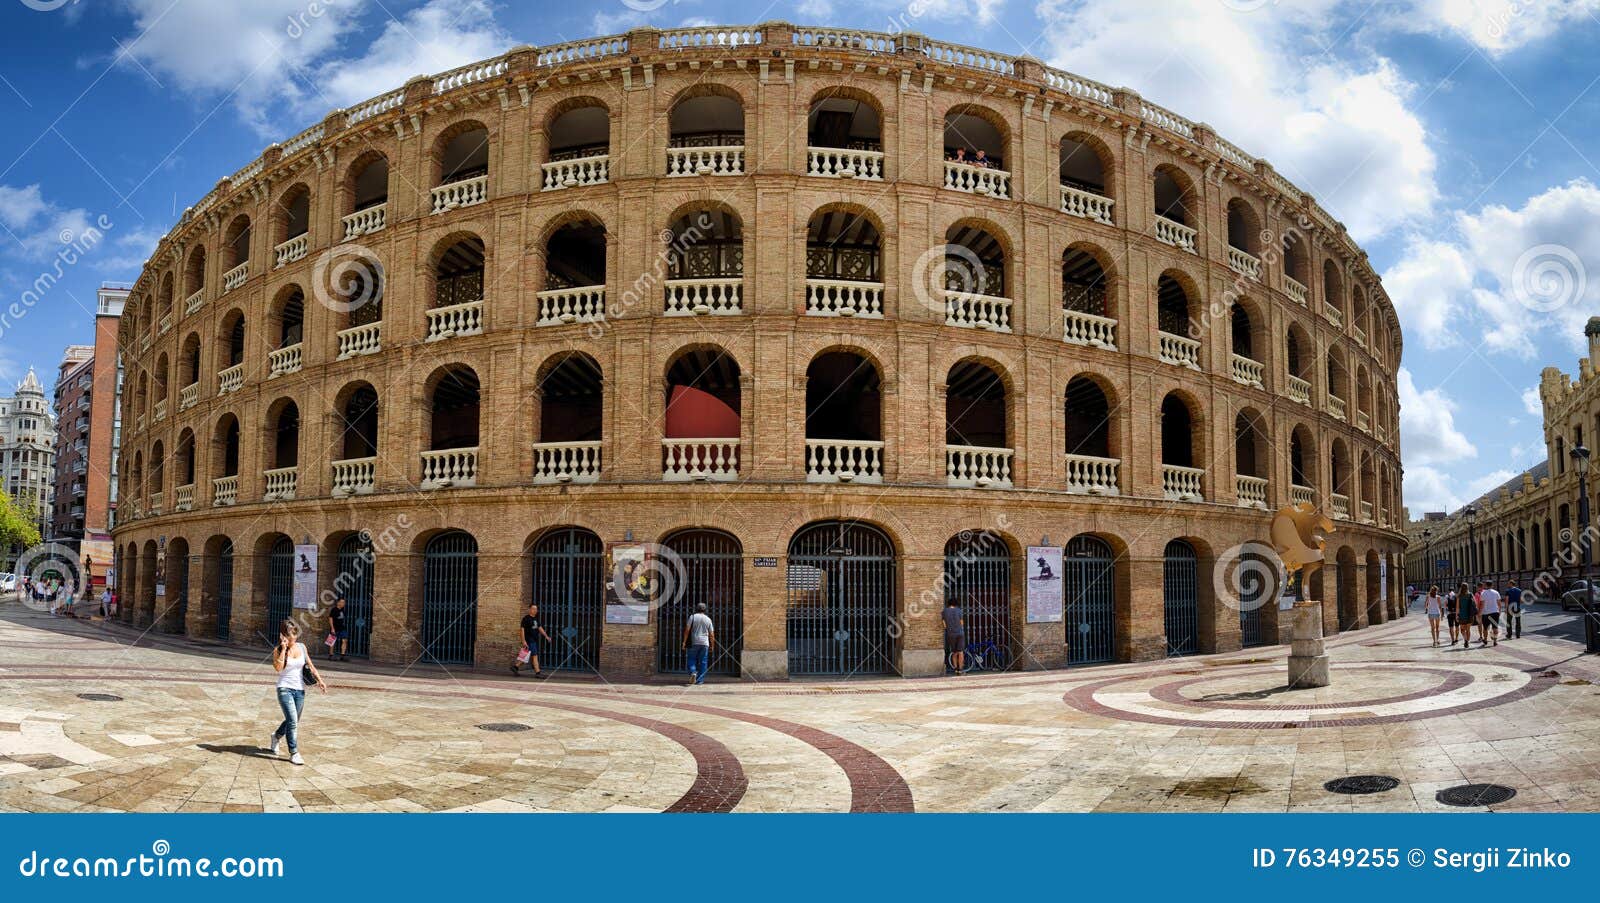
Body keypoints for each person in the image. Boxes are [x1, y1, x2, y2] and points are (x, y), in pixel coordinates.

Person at [268, 619, 327, 765]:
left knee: (293, 720)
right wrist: (283, 649)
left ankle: (276, 736)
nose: (292, 638)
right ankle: (294, 752)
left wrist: (320, 680)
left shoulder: (301, 647)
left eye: (294, 634)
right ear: (283, 635)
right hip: (284, 689)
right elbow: (278, 668)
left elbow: (310, 665)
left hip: (300, 690)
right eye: (289, 635)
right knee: (293, 721)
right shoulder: (278, 650)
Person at [511, 602, 551, 679]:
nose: (535, 610)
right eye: (533, 609)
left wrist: (546, 636)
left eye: (536, 609)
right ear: (529, 609)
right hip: (529, 640)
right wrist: (523, 641)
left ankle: (515, 667)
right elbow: (522, 630)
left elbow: (540, 628)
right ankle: (538, 672)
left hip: (534, 640)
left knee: (526, 655)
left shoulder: (536, 619)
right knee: (534, 656)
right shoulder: (526, 619)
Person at [682, 602, 715, 686]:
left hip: (694, 642)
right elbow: (711, 634)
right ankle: (700, 680)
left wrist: (684, 642)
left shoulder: (692, 617)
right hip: (704, 643)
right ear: (705, 610)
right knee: (703, 662)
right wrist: (712, 645)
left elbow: (687, 630)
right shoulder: (708, 619)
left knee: (691, 659)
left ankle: (693, 672)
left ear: (696, 609)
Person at [943, 599, 967, 674]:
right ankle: (960, 669)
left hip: (951, 634)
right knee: (960, 652)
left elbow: (944, 625)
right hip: (960, 633)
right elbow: (962, 622)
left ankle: (956, 669)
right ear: (956, 604)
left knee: (954, 652)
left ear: (948, 604)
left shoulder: (944, 611)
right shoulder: (959, 610)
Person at [1477, 581, 1501, 647]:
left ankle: (1485, 640)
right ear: (1492, 585)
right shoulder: (1496, 592)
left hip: (1486, 613)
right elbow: (1499, 603)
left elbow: (1482, 604)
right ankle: (1495, 641)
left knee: (1485, 628)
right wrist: (1499, 611)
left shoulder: (1483, 593)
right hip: (1495, 612)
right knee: (1495, 627)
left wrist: (1479, 613)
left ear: (1485, 585)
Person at [327, 596, 351, 661]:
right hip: (335, 628)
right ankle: (331, 655)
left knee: (345, 640)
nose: (343, 603)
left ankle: (342, 655)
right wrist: (332, 628)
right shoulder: (334, 610)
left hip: (342, 628)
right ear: (338, 603)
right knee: (332, 641)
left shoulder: (343, 610)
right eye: (342, 602)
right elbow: (330, 618)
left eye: (344, 602)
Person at [1455, 582, 1476, 648]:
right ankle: (1467, 641)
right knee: (1468, 629)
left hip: (1462, 615)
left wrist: (1457, 615)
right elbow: (1475, 603)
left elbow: (1457, 607)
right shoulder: (1470, 594)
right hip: (1470, 614)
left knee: (1462, 630)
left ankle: (1465, 640)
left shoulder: (1459, 596)